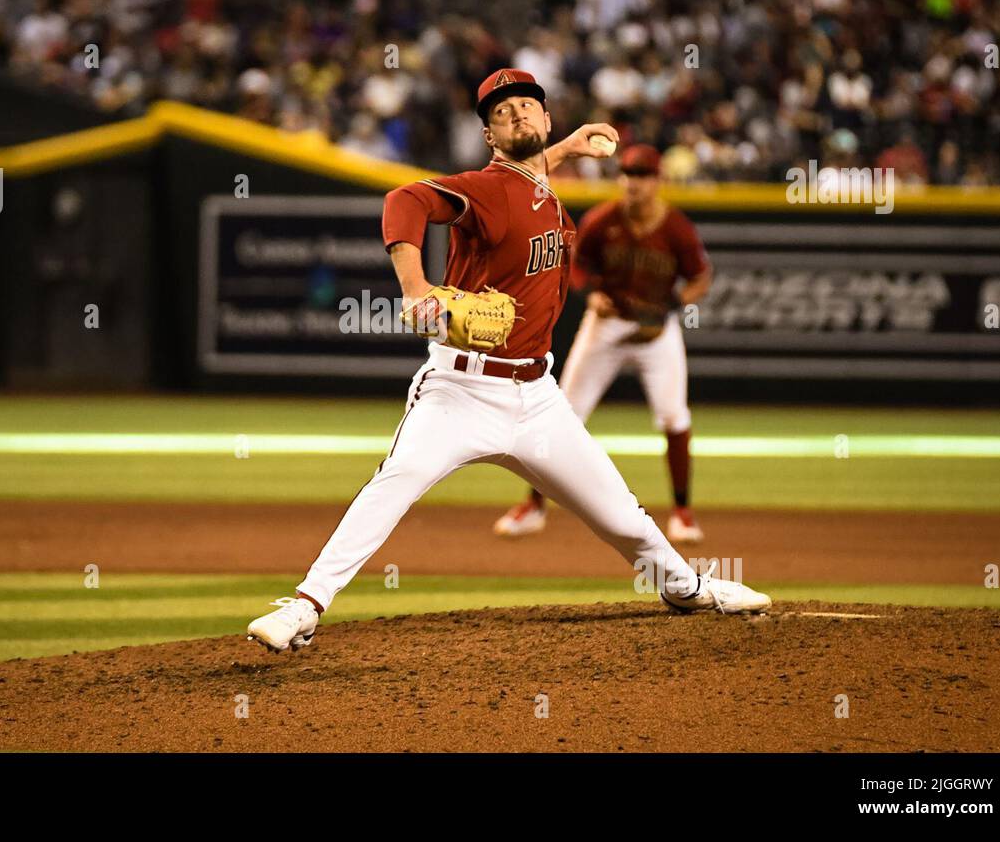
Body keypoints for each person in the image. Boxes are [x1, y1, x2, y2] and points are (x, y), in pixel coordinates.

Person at [246, 70, 770, 653]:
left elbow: (535, 172)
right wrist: (416, 284)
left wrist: (568, 147)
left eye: (528, 105)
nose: (517, 114)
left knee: (620, 514)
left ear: (546, 121)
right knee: (395, 482)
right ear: (489, 136)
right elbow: (404, 199)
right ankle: (305, 606)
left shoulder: (543, 184)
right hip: (459, 392)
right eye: (502, 112)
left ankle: (684, 588)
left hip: (538, 397)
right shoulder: (488, 189)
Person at [494, 144, 710, 543]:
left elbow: (700, 276)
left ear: (657, 181)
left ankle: (682, 512)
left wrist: (675, 304)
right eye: (628, 174)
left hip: (655, 333)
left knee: (674, 417)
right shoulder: (602, 220)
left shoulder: (676, 228)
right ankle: (534, 506)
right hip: (605, 326)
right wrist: (590, 293)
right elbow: (575, 262)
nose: (634, 183)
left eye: (643, 175)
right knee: (561, 413)